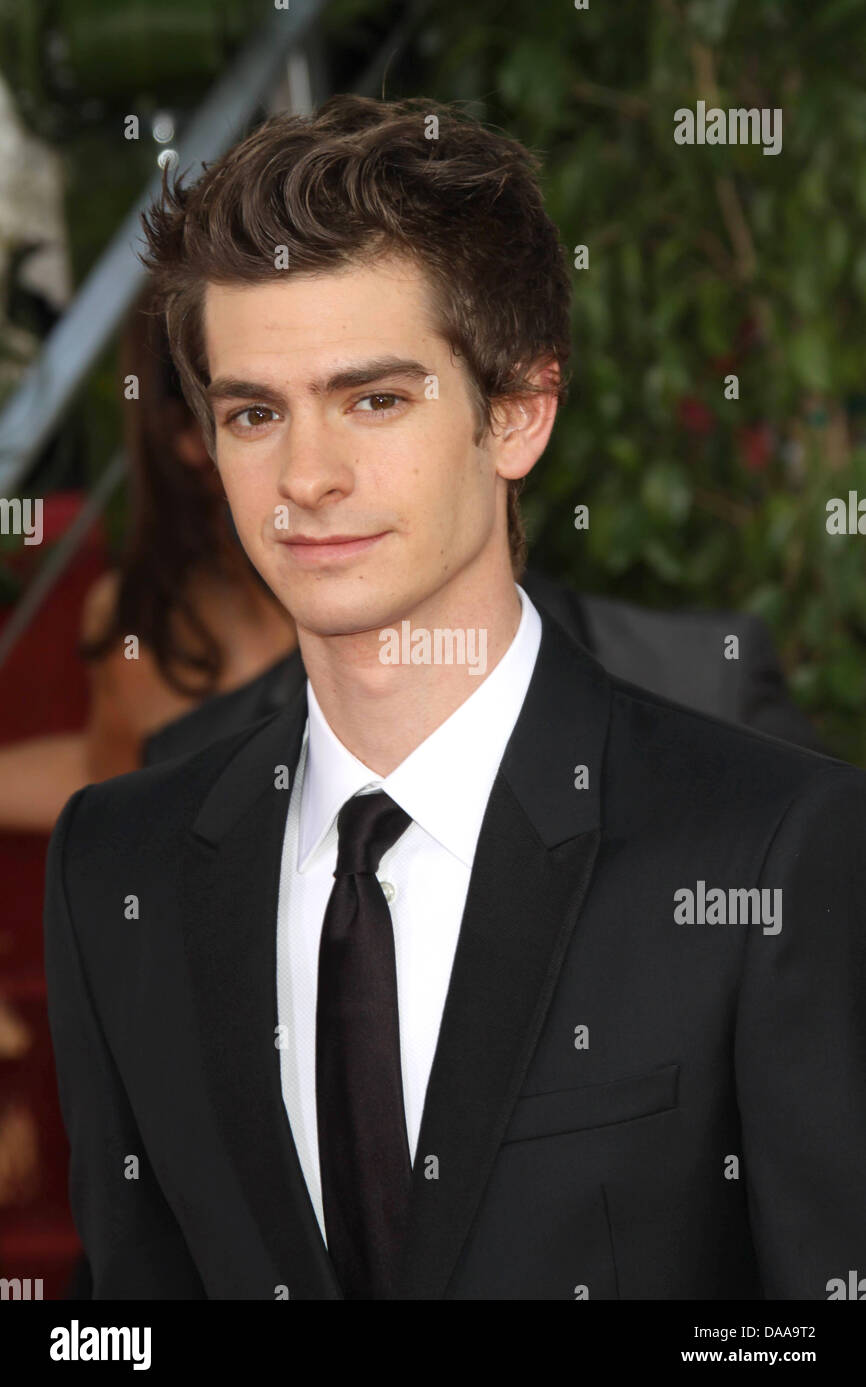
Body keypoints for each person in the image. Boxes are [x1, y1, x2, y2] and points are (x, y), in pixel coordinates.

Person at [44, 95, 866, 1301]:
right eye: (253, 414)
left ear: (518, 413)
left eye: (374, 399)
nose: (307, 477)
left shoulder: (767, 847)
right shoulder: (119, 869)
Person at [0, 293, 298, 832]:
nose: (315, 463)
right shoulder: (142, 626)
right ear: (186, 435)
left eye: (370, 400)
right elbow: (108, 780)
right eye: (257, 413)